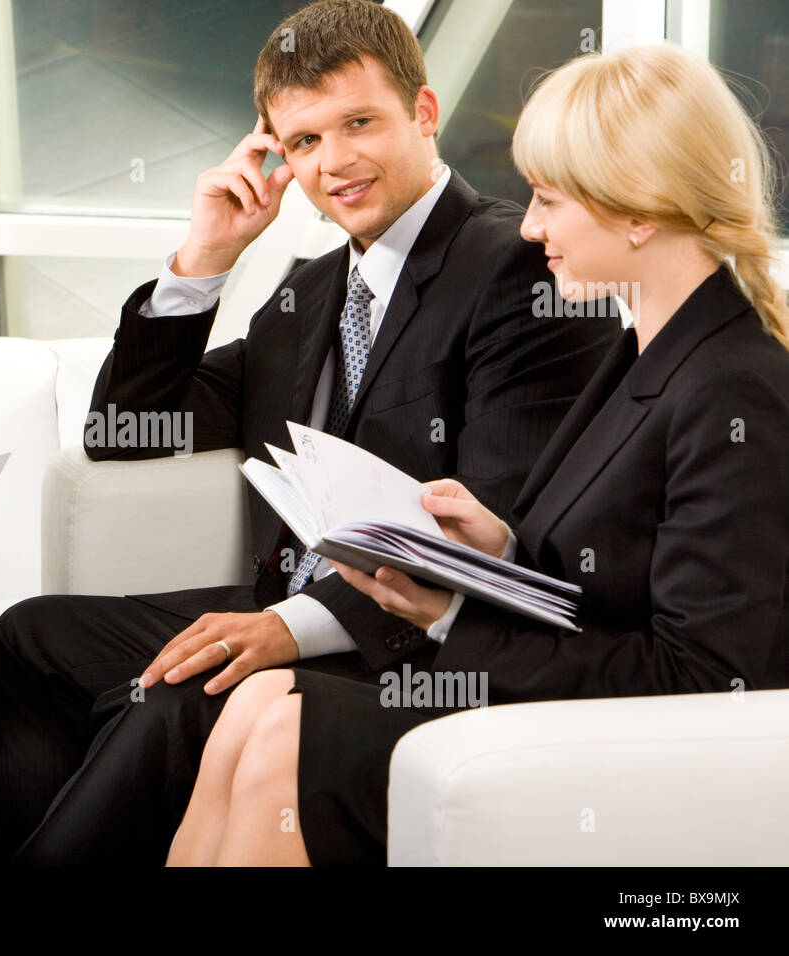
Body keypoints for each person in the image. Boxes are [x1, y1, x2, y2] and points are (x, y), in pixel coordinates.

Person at [0, 0, 619, 865]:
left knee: (170, 695)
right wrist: (205, 260)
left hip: (406, 637)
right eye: (305, 142)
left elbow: (494, 530)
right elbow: (125, 430)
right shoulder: (306, 293)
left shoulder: (514, 266)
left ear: (423, 115)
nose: (335, 162)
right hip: (280, 604)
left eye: (359, 123)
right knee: (31, 637)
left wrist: (289, 629)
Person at [168, 42, 789, 866]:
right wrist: (496, 546)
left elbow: (701, 680)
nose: (530, 227)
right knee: (262, 704)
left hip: (631, 753)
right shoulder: (646, 350)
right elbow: (619, 569)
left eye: (550, 200)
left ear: (639, 210)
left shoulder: (732, 387)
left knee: (284, 728)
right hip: (573, 702)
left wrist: (454, 612)